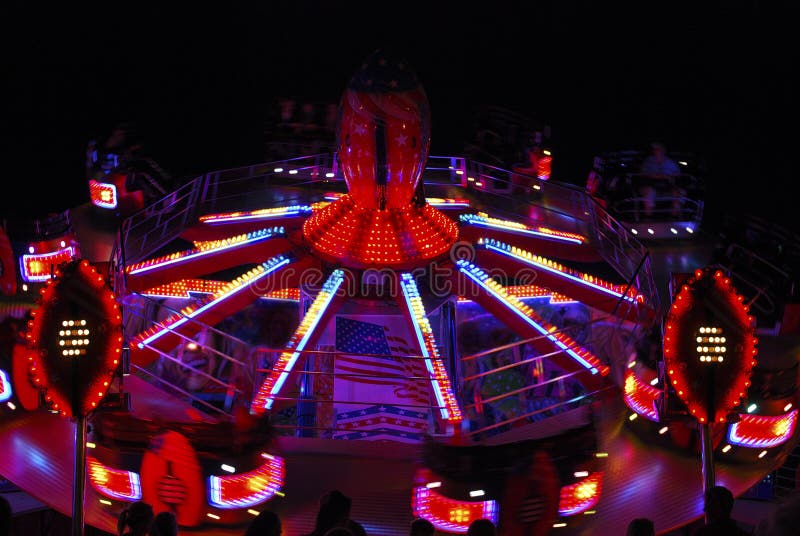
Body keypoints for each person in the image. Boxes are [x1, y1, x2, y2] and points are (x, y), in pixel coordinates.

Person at [638, 141, 682, 217]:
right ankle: (649, 216)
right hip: (650, 185)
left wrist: (670, 176)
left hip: (667, 186)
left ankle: (674, 216)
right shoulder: (648, 161)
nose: (656, 151)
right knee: (649, 193)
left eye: (658, 149)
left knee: (679, 192)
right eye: (655, 149)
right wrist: (655, 176)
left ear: (663, 150)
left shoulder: (670, 162)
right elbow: (643, 173)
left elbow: (678, 173)